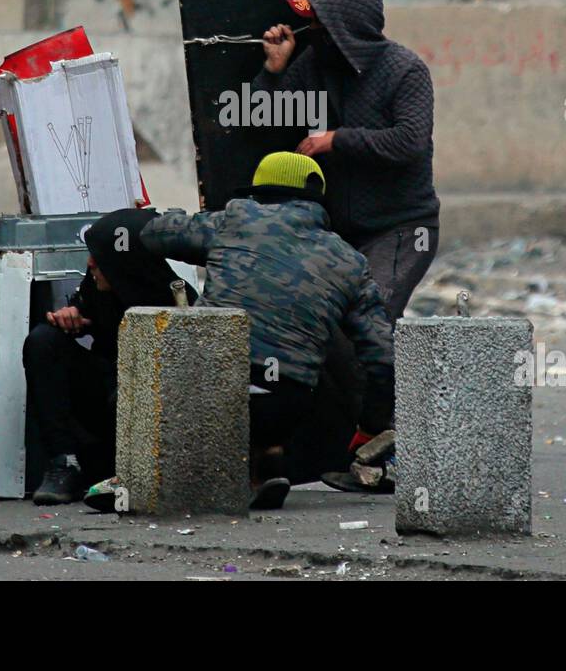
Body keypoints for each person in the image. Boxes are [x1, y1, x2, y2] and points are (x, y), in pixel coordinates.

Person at [141, 151, 394, 510]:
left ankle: (149, 473)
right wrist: (370, 427)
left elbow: (153, 234)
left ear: (258, 191)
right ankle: (270, 458)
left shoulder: (234, 219)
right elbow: (383, 358)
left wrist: (178, 221)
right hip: (288, 402)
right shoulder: (349, 260)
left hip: (211, 387)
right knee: (302, 369)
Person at [255, 0, 440, 325]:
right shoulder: (313, 66)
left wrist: (335, 139)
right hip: (338, 233)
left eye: (319, 24)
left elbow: (409, 141)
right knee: (319, 325)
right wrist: (273, 69)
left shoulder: (405, 71)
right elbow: (264, 122)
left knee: (370, 317)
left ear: (343, 28)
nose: (312, 32)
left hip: (401, 230)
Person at [23, 208, 194, 505]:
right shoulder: (99, 287)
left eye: (100, 258)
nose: (90, 264)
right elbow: (85, 311)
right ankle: (65, 464)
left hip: (147, 426)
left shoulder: (177, 301)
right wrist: (72, 316)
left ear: (124, 263)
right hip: (101, 412)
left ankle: (130, 477)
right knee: (43, 342)